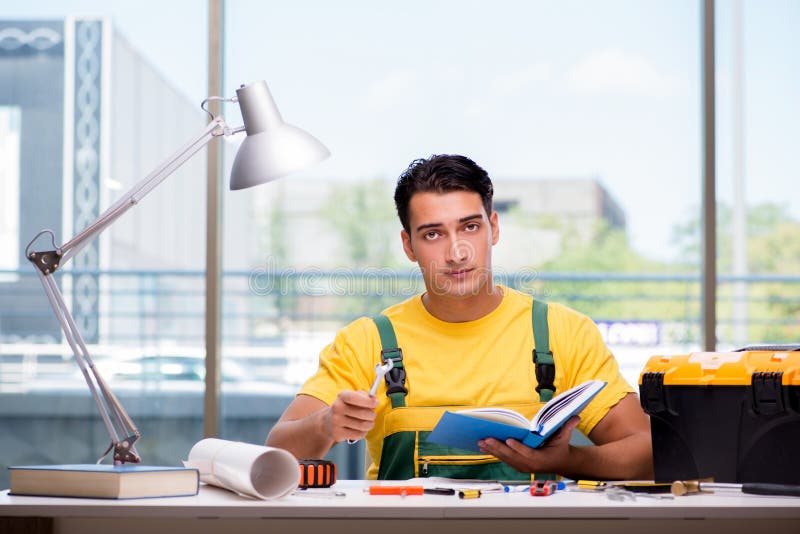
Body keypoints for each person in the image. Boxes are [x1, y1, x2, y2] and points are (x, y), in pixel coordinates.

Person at [266, 154, 653, 481]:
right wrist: (325, 425)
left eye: (469, 227)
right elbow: (276, 452)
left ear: (494, 228)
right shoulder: (367, 341)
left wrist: (569, 460)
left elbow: (647, 451)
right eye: (433, 234)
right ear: (408, 246)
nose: (457, 253)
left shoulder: (562, 334)